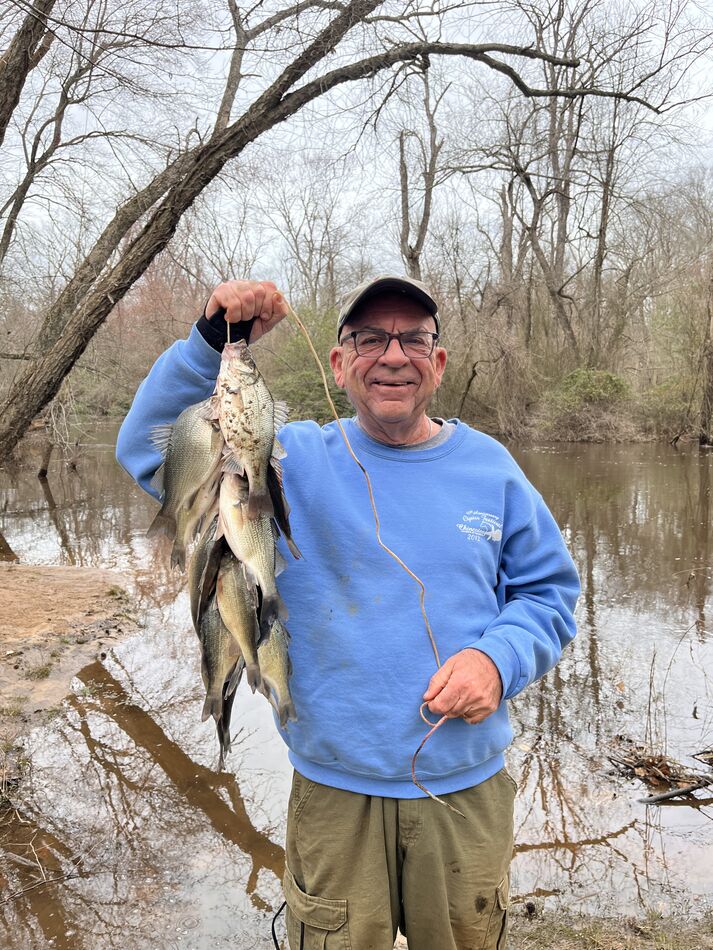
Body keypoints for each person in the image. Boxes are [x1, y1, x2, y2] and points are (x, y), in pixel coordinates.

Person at [116, 275, 580, 950]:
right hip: (332, 791)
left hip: (463, 792)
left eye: (413, 338)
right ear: (338, 364)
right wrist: (211, 343)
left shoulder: (492, 468)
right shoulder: (282, 460)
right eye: (368, 338)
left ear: (438, 362)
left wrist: (495, 660)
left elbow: (547, 596)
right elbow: (150, 452)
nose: (392, 355)